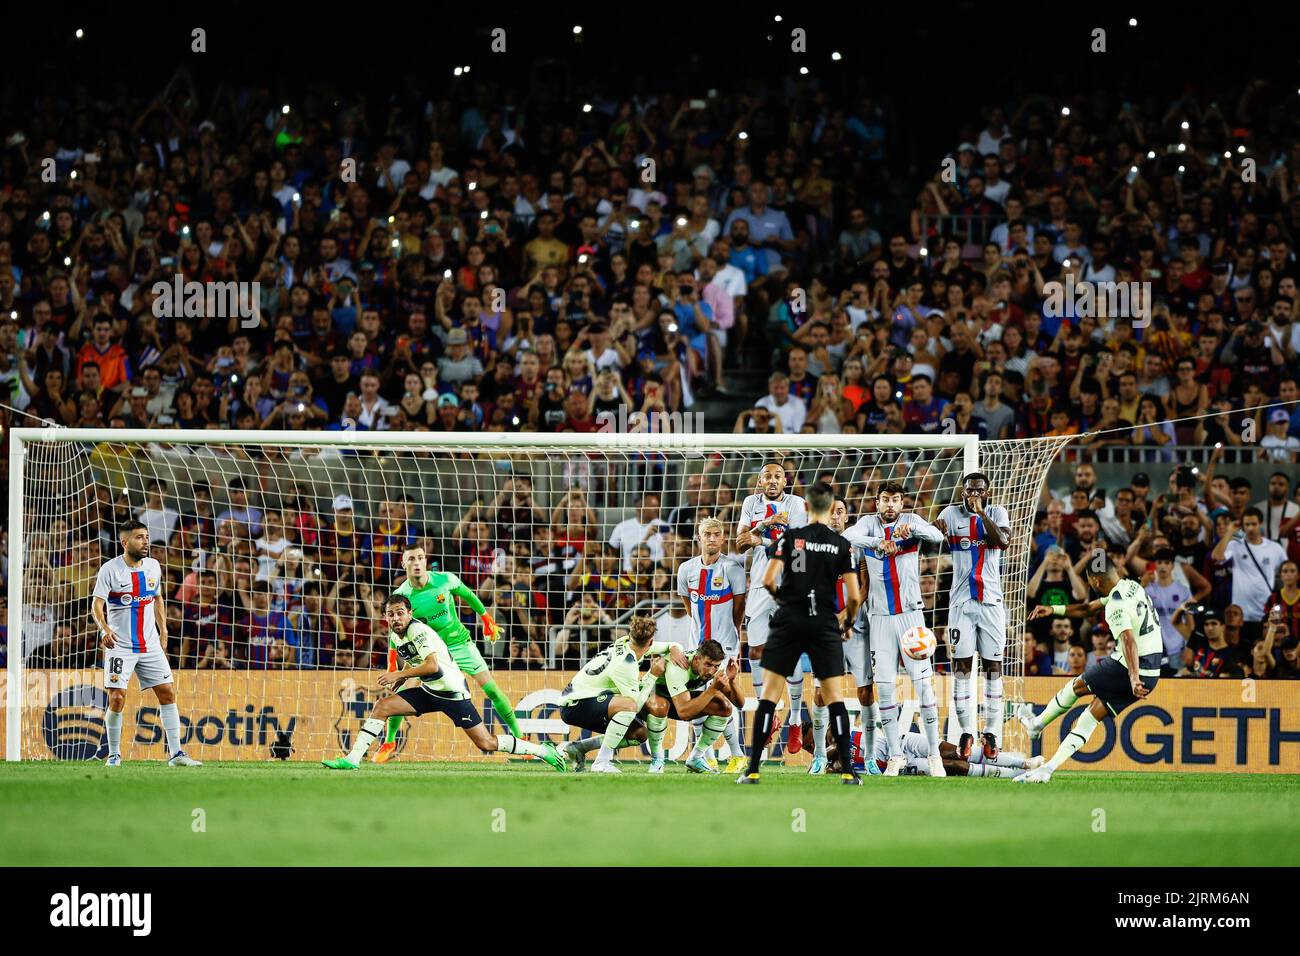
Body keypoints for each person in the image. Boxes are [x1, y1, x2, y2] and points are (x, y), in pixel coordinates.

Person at [322, 595, 565, 771]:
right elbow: (415, 659)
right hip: (429, 690)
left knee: (486, 742)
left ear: (409, 614)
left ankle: (543, 751)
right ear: (385, 617)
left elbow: (432, 666)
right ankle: (353, 759)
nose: (396, 618)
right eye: (391, 614)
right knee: (383, 707)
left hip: (453, 694)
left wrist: (399, 675)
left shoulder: (418, 631)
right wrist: (403, 673)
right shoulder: (396, 636)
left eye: (400, 612)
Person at [737, 481, 862, 785]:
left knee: (768, 695)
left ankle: (752, 770)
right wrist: (845, 624)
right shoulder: (841, 544)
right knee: (834, 698)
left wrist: (786, 600)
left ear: (805, 507)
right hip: (823, 622)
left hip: (789, 619)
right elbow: (855, 597)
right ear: (832, 509)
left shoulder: (790, 538)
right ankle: (848, 771)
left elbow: (767, 579)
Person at [1017, 554, 1161, 783]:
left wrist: (1133, 677)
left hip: (1131, 667)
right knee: (1091, 715)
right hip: (1152, 674)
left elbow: (1128, 640)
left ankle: (1037, 724)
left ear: (1095, 582)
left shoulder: (1116, 605)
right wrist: (1053, 609)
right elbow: (1087, 608)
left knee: (1077, 686)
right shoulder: (1131, 586)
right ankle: (1047, 770)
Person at [842, 482, 946, 776]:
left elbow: (937, 536)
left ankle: (935, 754)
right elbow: (848, 536)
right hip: (880, 619)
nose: (890, 505)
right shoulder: (867, 524)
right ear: (877, 503)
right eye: (885, 500)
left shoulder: (912, 521)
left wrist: (911, 532)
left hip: (911, 618)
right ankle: (896, 755)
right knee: (885, 689)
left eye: (895, 500)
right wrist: (877, 543)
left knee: (924, 686)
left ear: (902, 504)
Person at [378, 547, 519, 763]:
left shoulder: (445, 580)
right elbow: (393, 633)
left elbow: (469, 595)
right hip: (429, 652)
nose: (417, 562)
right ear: (403, 564)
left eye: (421, 558)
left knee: (491, 689)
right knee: (403, 692)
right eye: (411, 559)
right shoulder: (403, 596)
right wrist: (392, 667)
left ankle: (519, 735)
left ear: (426, 561)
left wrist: (487, 619)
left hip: (458, 643)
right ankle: (389, 741)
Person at [91, 520, 201, 767]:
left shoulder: (153, 566)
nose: (145, 542)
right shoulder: (110, 570)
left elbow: (158, 598)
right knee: (117, 698)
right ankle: (114, 755)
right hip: (120, 645)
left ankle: (176, 754)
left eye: (146, 537)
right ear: (125, 542)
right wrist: (104, 629)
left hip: (150, 644)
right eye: (139, 537)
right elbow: (97, 605)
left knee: (167, 692)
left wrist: (162, 632)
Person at [555, 615, 689, 773]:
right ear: (651, 641)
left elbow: (671, 645)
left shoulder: (626, 642)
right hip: (576, 705)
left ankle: (578, 748)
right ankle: (602, 762)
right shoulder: (625, 664)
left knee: (639, 734)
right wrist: (652, 675)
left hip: (583, 698)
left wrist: (674, 648)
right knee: (629, 706)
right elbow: (635, 705)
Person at [935, 473, 1012, 746]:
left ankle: (990, 732)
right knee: (962, 668)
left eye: (979, 490)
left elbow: (1002, 542)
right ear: (962, 491)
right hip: (960, 604)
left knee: (993, 667)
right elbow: (935, 534)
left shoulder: (997, 513)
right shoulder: (950, 514)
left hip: (991, 602)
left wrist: (981, 515)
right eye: (970, 491)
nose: (974, 495)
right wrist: (937, 529)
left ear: (987, 491)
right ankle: (966, 732)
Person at [735, 462, 807, 749]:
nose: (772, 480)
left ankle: (797, 719)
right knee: (754, 649)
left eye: (778, 476)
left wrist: (761, 537)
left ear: (785, 481)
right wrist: (764, 525)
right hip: (760, 585)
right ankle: (772, 713)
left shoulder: (796, 503)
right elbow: (740, 543)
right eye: (767, 476)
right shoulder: (751, 503)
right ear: (760, 481)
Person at [806, 497, 873, 776]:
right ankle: (820, 755)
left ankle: (869, 756)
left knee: (866, 692)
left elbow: (865, 583)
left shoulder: (858, 546)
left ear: (847, 518)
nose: (835, 517)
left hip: (856, 628)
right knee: (823, 693)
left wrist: (848, 615)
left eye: (840, 512)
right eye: (831, 512)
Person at [676, 517, 748, 772]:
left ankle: (737, 755)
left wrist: (733, 640)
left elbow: (739, 608)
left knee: (721, 694)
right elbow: (689, 606)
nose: (712, 538)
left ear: (723, 538)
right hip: (697, 647)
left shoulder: (733, 568)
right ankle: (706, 754)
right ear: (699, 537)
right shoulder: (686, 570)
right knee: (699, 698)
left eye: (717, 534)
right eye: (707, 534)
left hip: (725, 646)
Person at [644, 639, 745, 774]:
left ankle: (696, 757)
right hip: (646, 699)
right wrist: (712, 689)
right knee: (661, 706)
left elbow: (740, 703)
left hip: (675, 701)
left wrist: (732, 680)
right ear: (697, 659)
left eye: (716, 666)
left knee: (723, 706)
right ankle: (657, 760)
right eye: (708, 664)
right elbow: (684, 713)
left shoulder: (715, 668)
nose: (711, 671)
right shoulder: (678, 667)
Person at [1210, 507, 1288, 644]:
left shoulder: (1274, 548)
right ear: (1242, 525)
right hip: (1241, 615)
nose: (1250, 528)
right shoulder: (1236, 544)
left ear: (1261, 523)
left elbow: (1288, 574)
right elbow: (1216, 557)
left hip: (1265, 614)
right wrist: (1229, 532)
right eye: (1247, 525)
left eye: (1254, 524)